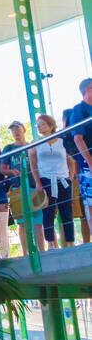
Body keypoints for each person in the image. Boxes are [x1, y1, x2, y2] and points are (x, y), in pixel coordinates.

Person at [30, 114, 74, 250]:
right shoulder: (35, 144)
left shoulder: (61, 142)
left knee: (66, 211)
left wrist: (70, 177)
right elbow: (33, 164)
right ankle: (51, 243)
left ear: (51, 125)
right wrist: (37, 182)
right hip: (46, 180)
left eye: (42, 124)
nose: (39, 127)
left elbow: (71, 160)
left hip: (63, 180)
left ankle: (70, 242)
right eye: (38, 124)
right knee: (48, 213)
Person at [0, 119, 43, 254]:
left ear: (24, 130)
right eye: (13, 130)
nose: (15, 132)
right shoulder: (9, 148)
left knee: (37, 219)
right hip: (17, 187)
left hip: (32, 185)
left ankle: (41, 249)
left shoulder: (32, 146)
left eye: (17, 129)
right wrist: (11, 172)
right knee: (22, 221)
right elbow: (3, 169)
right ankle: (25, 251)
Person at [62, 107, 91, 243]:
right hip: (77, 175)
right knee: (84, 211)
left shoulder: (63, 137)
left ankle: (76, 242)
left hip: (74, 176)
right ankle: (85, 241)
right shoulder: (76, 135)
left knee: (77, 212)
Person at [69, 79, 92, 231]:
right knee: (90, 200)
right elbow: (78, 138)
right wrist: (90, 161)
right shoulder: (79, 110)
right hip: (87, 164)